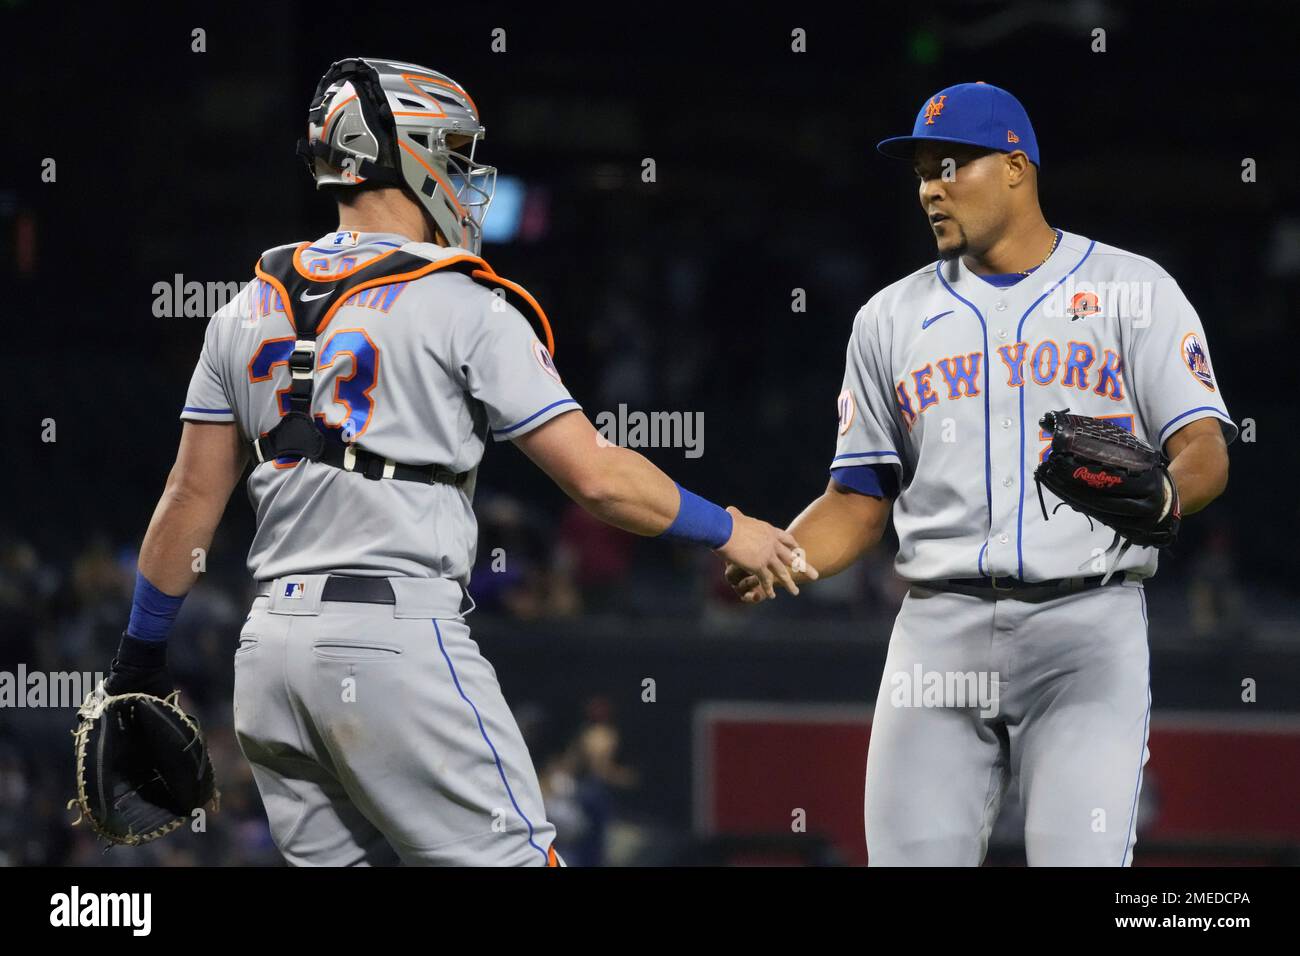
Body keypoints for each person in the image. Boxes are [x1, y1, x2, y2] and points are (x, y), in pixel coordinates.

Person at [100, 56, 811, 866]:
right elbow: (599, 478)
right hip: (393, 638)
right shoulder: (462, 302)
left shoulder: (244, 308)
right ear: (402, 151)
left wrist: (136, 665)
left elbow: (188, 500)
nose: (464, 172)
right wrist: (728, 529)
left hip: (270, 657)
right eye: (453, 148)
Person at [726, 82, 1232, 866]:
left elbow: (1203, 446)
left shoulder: (1134, 289)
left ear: (1017, 167)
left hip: (1086, 628)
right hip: (938, 630)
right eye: (923, 171)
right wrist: (781, 554)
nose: (931, 187)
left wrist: (1168, 491)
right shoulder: (887, 319)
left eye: (952, 165)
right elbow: (859, 501)